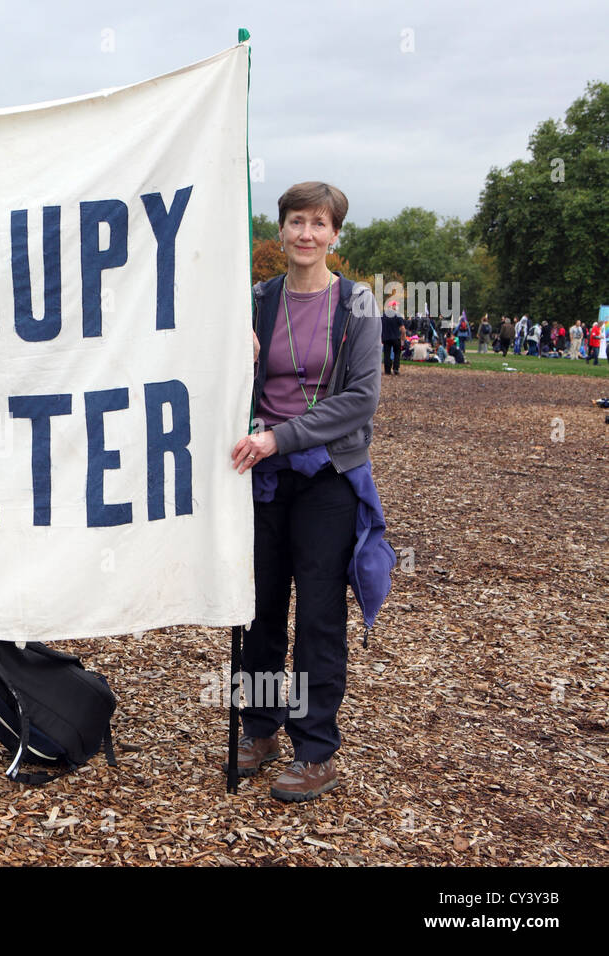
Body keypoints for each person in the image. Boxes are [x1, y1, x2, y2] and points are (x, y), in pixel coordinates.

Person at [230, 182, 392, 803]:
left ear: (334, 235)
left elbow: (360, 401)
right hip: (264, 478)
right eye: (296, 222)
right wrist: (234, 357)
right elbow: (218, 376)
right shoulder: (258, 300)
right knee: (261, 610)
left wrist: (282, 438)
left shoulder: (357, 305)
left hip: (326, 476)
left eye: (318, 224)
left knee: (319, 617)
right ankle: (261, 729)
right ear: (281, 232)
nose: (305, 234)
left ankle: (316, 748)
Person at [381, 300, 405, 375]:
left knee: (387, 354)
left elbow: (379, 327)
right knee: (397, 353)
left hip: (386, 338)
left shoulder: (383, 316)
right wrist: (403, 339)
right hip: (396, 337)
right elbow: (403, 329)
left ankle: (387, 370)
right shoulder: (398, 315)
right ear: (393, 306)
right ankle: (396, 368)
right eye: (395, 306)